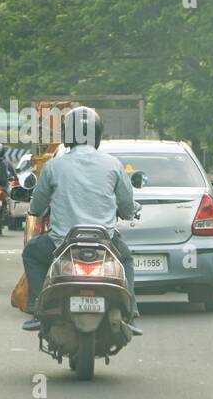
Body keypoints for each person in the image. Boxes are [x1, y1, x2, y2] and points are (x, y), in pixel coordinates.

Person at [21, 107, 141, 336]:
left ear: (67, 135)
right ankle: (132, 313)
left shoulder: (54, 166)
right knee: (125, 259)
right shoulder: (113, 165)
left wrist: (38, 208)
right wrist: (128, 212)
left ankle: (37, 309)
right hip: (106, 243)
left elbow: (36, 207)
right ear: (97, 135)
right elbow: (126, 208)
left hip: (61, 244)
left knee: (31, 253)